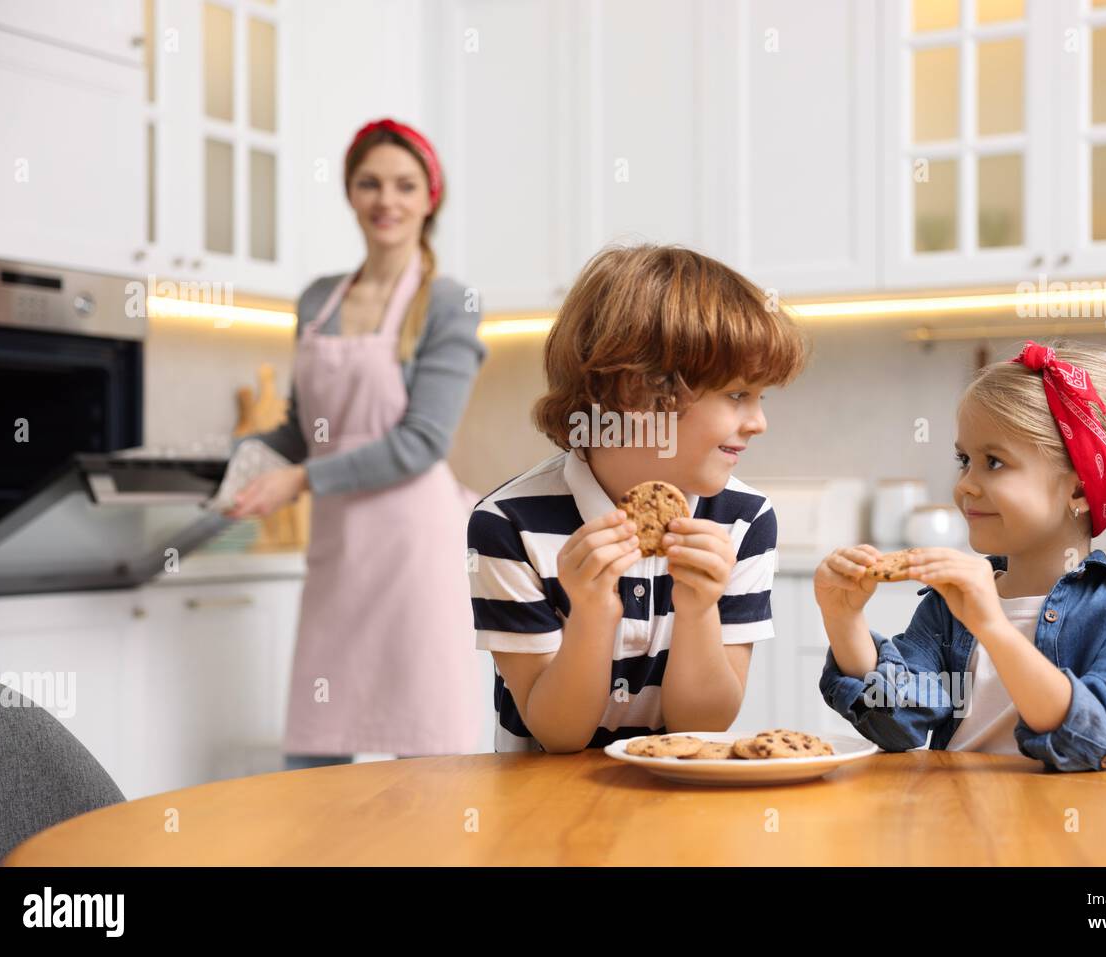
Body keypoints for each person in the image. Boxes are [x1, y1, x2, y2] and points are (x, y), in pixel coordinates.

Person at [466, 244, 809, 752]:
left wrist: (698, 610)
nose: (758, 422)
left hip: (675, 803)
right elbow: (558, 736)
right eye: (738, 395)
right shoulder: (508, 524)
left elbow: (703, 727)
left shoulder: (744, 521)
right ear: (638, 392)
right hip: (540, 811)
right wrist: (593, 615)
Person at [230, 119, 486, 768]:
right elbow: (301, 428)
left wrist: (303, 480)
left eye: (405, 185)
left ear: (431, 197)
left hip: (415, 549)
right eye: (369, 183)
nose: (386, 200)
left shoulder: (448, 304)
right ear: (349, 193)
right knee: (316, 745)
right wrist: (219, 460)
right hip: (342, 550)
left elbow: (421, 441)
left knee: (428, 750)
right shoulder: (318, 299)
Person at [816, 340, 1106, 770]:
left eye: (993, 462)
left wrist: (992, 626)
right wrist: (844, 622)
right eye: (964, 459)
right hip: (962, 824)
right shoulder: (947, 609)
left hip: (1080, 832)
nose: (965, 485)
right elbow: (899, 723)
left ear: (1081, 489)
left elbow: (1089, 740)